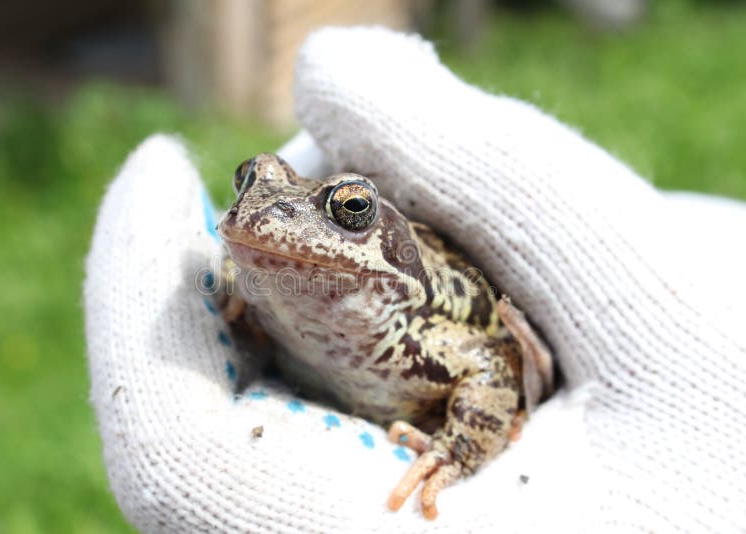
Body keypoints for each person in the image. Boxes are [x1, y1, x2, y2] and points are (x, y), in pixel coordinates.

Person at [84, 27, 746, 532]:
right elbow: (248, 240)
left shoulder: (419, 335)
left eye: (348, 213)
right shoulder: (259, 260)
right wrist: (238, 282)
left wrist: (457, 452)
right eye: (248, 184)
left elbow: (489, 366)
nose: (264, 212)